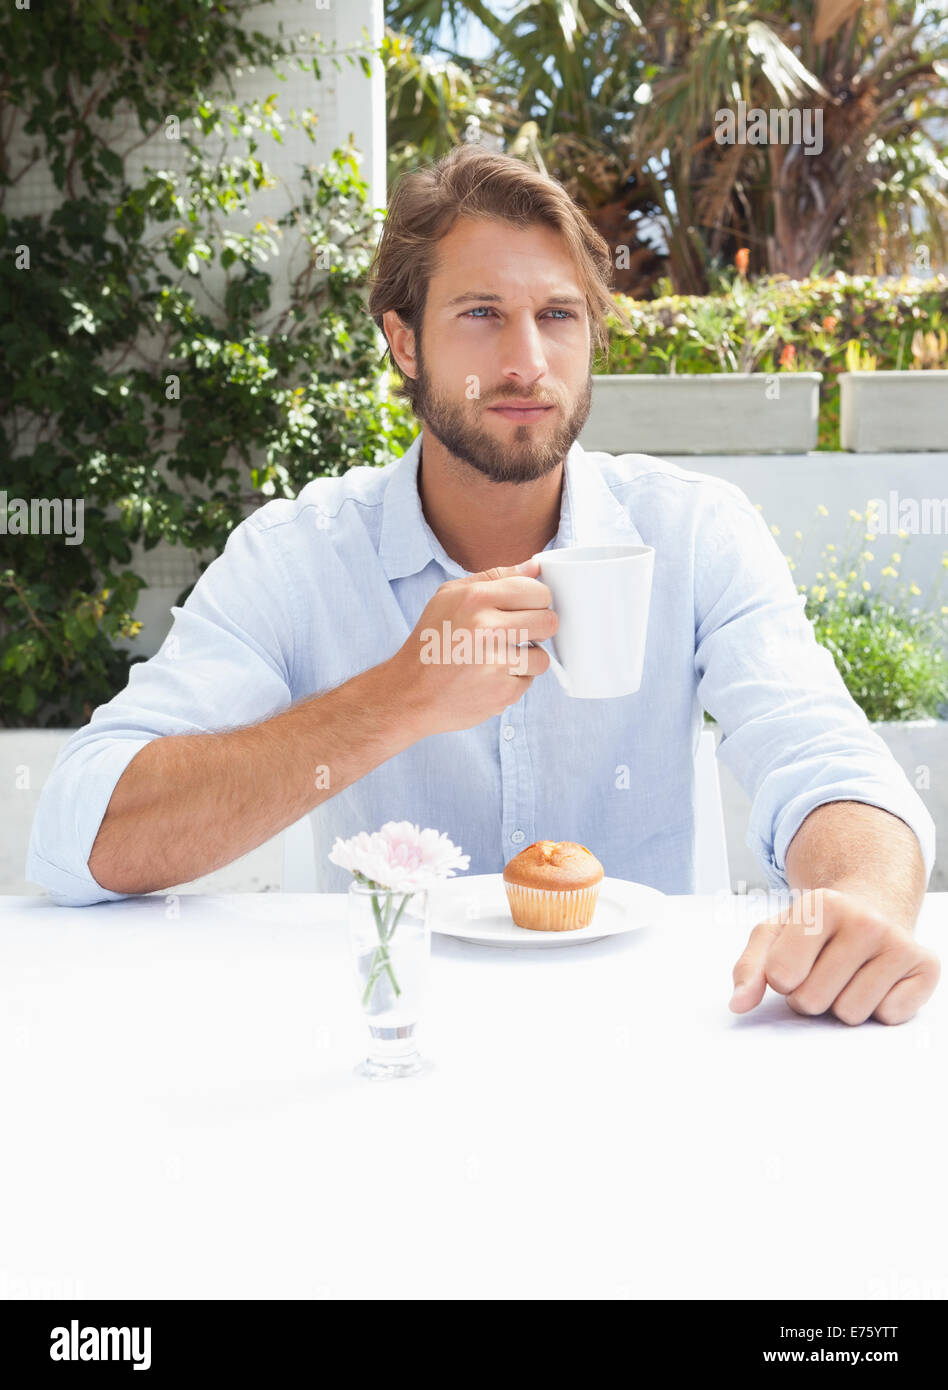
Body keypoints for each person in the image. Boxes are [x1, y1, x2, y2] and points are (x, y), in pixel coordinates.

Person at [27, 143, 939, 1025]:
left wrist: (860, 896)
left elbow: (823, 757)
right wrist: (397, 699)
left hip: (648, 1035)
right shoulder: (295, 557)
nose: (526, 364)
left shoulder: (694, 532)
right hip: (386, 1040)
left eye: (558, 315)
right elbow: (79, 835)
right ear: (404, 343)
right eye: (478, 314)